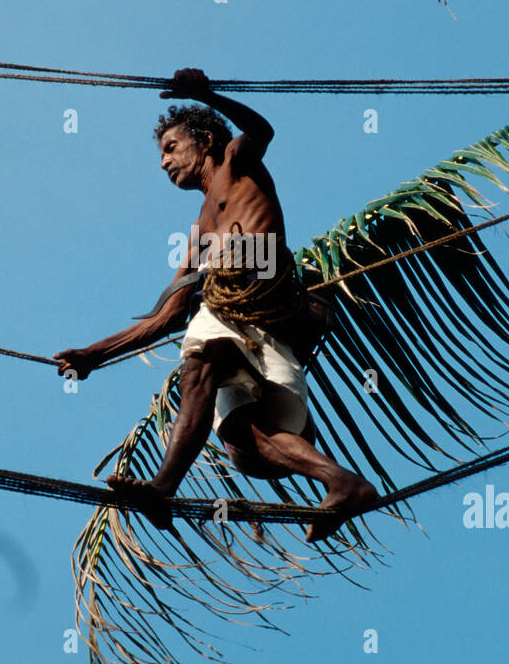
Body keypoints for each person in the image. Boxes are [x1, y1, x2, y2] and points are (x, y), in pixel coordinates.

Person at [54, 68, 378, 541]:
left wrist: (207, 96)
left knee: (204, 348)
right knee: (238, 436)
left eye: (170, 148)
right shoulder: (198, 236)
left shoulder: (234, 161)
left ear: (204, 141)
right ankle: (344, 484)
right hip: (252, 359)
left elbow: (263, 130)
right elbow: (166, 316)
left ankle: (162, 488)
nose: (163, 163)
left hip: (268, 324)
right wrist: (92, 356)